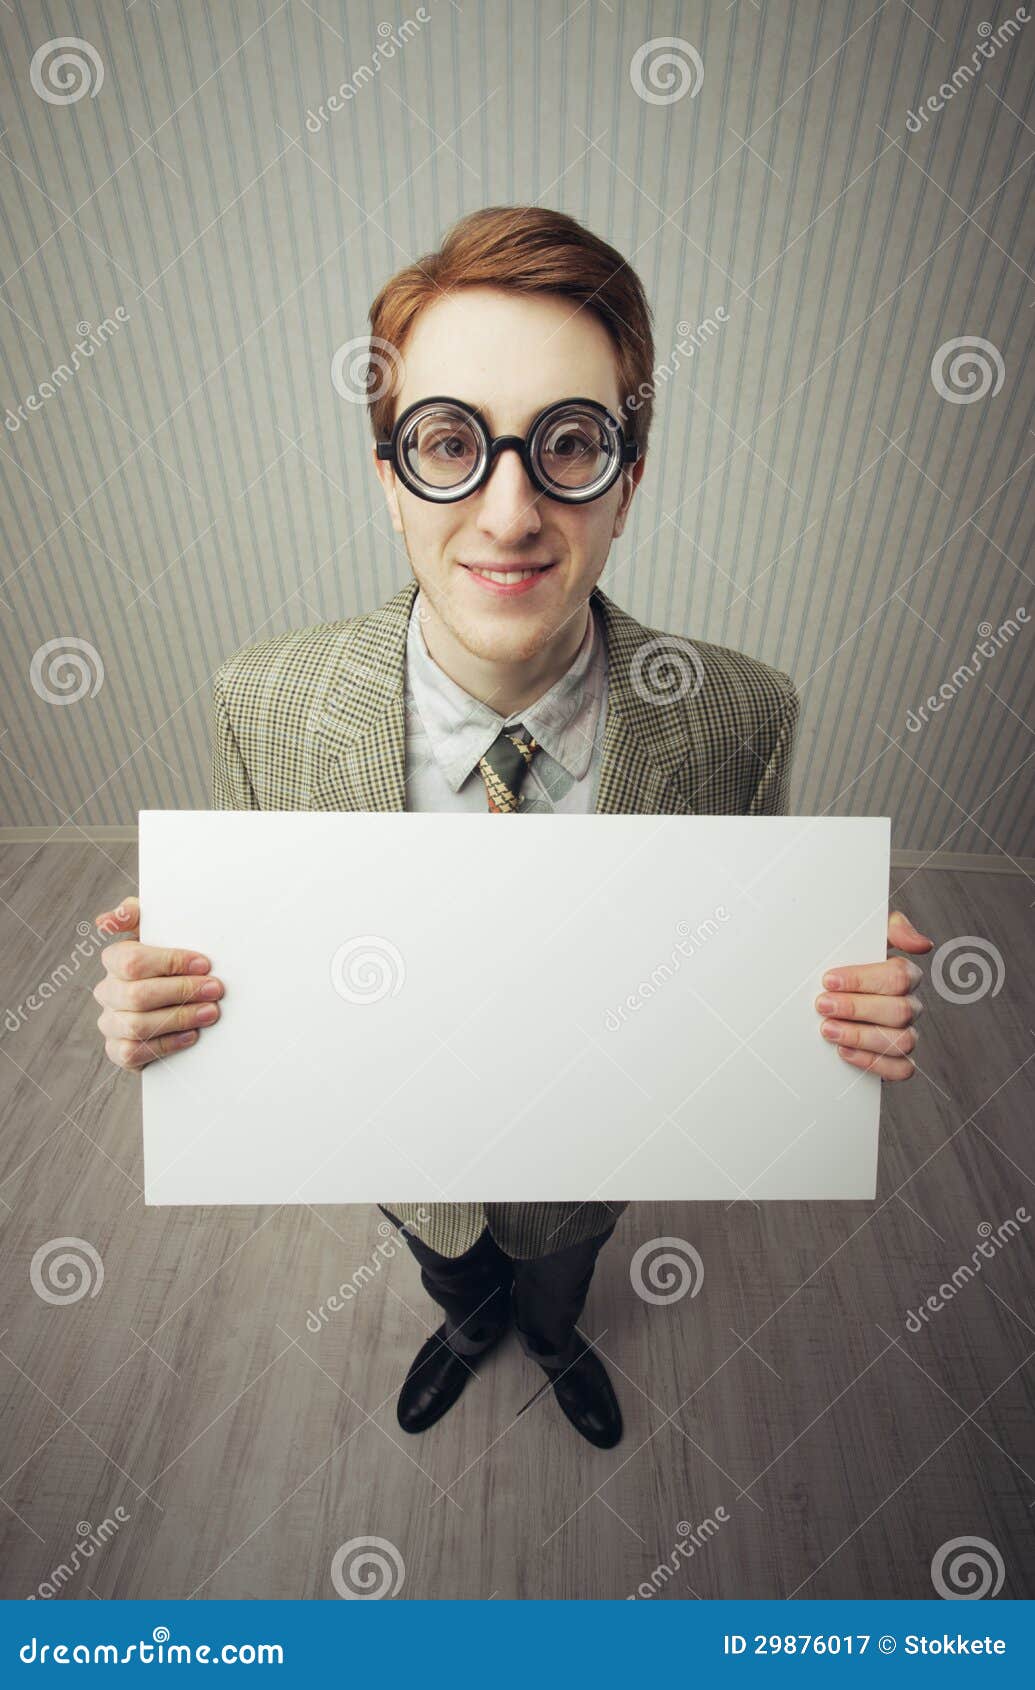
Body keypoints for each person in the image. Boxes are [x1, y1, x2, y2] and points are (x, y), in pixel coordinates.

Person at [91, 206, 933, 1452]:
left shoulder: (743, 715)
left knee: (555, 1286)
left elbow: (728, 960)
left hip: (584, 1180)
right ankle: (467, 1323)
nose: (508, 513)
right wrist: (170, 1006)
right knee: (455, 1274)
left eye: (569, 444)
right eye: (449, 442)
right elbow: (257, 959)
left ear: (627, 482)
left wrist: (823, 992)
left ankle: (550, 1336)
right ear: (389, 479)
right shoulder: (261, 703)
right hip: (408, 1171)